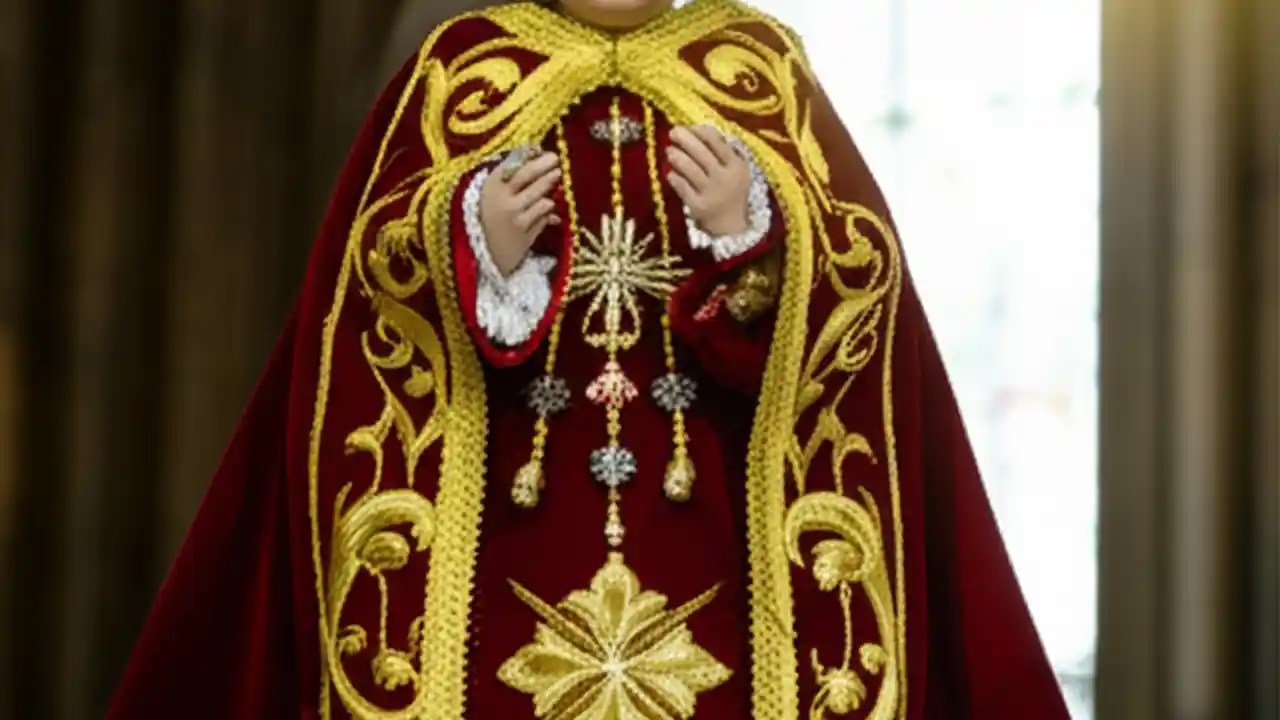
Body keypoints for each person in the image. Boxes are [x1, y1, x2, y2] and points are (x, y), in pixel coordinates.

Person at [108, 1, 1072, 718]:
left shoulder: (758, 74)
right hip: (499, 564)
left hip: (720, 566)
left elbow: (860, 291)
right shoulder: (460, 73)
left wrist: (755, 237)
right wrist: (470, 238)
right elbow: (365, 289)